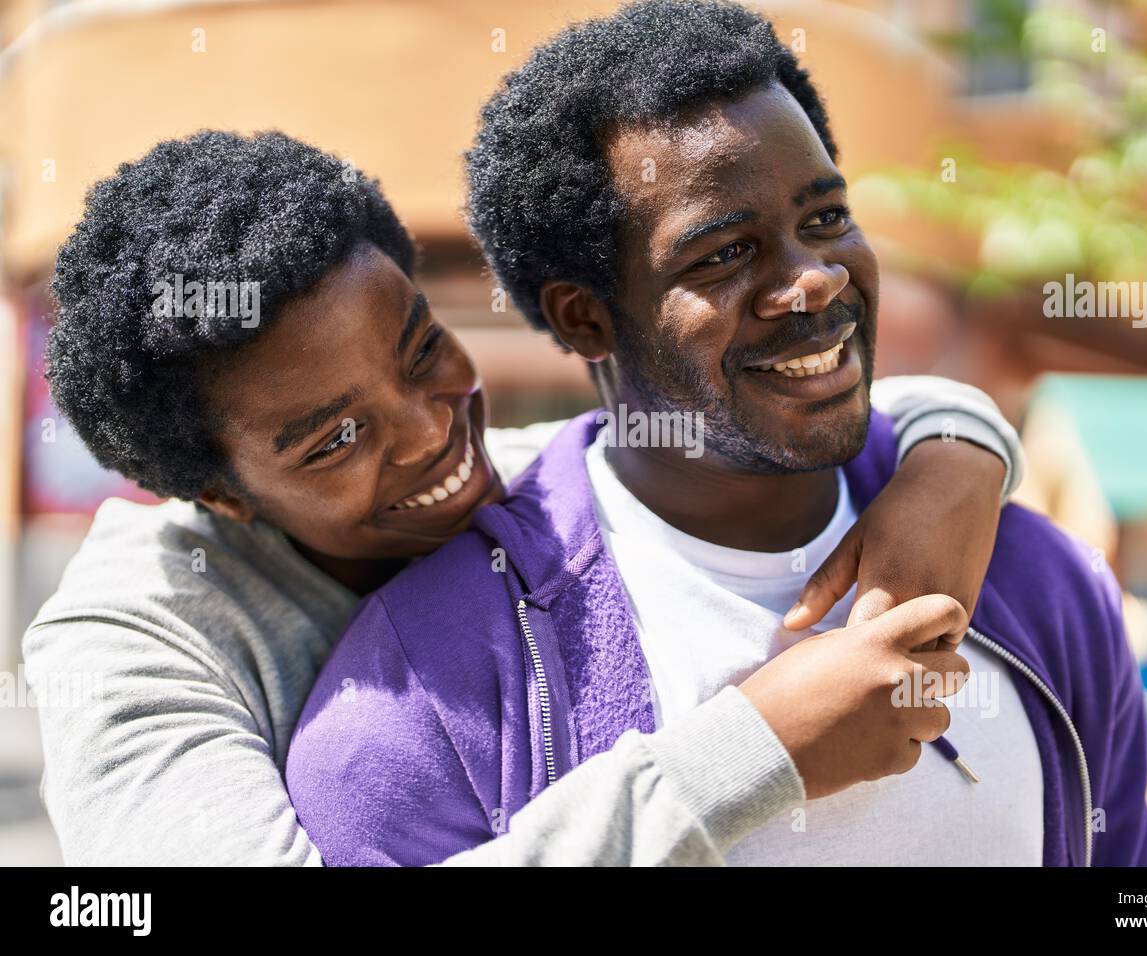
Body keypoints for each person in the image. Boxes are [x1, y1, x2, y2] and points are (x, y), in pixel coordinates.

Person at [286, 0, 1147, 867]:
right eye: (723, 254)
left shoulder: (1037, 582)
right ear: (585, 319)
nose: (816, 279)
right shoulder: (423, 696)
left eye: (824, 219)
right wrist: (750, 760)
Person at [25, 128, 1021, 866]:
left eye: (420, 351)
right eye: (334, 437)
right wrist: (750, 750)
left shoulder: (527, 476)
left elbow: (811, 407)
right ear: (221, 495)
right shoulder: (134, 641)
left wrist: (952, 457)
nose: (429, 430)